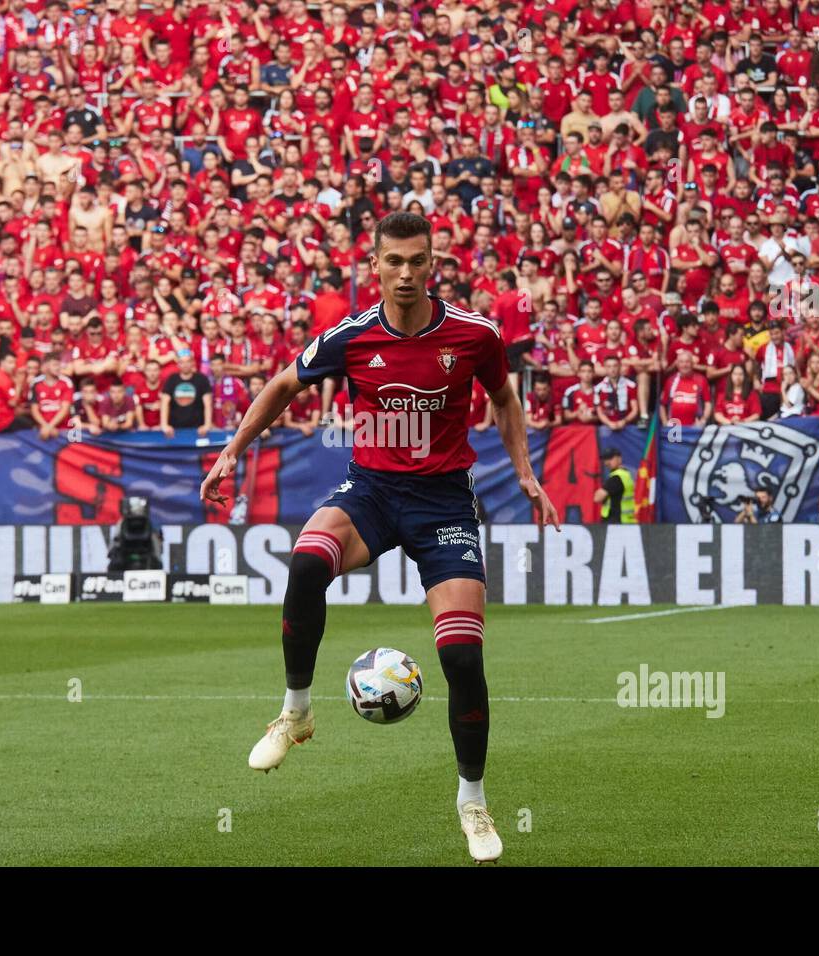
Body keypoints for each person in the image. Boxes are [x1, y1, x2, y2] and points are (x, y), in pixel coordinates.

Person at [199, 212, 560, 864]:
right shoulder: (353, 336)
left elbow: (504, 400)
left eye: (416, 261)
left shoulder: (474, 335)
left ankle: (472, 801)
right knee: (306, 563)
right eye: (393, 262)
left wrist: (527, 474)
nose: (405, 273)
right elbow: (284, 383)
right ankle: (296, 714)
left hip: (444, 502)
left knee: (462, 660)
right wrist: (232, 449)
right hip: (371, 491)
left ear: (432, 264)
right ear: (376, 267)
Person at [593, 448, 635, 523]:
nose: (607, 462)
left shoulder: (616, 477)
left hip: (616, 522)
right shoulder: (626, 474)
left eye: (610, 458)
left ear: (619, 458)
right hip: (626, 521)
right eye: (605, 459)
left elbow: (597, 498)